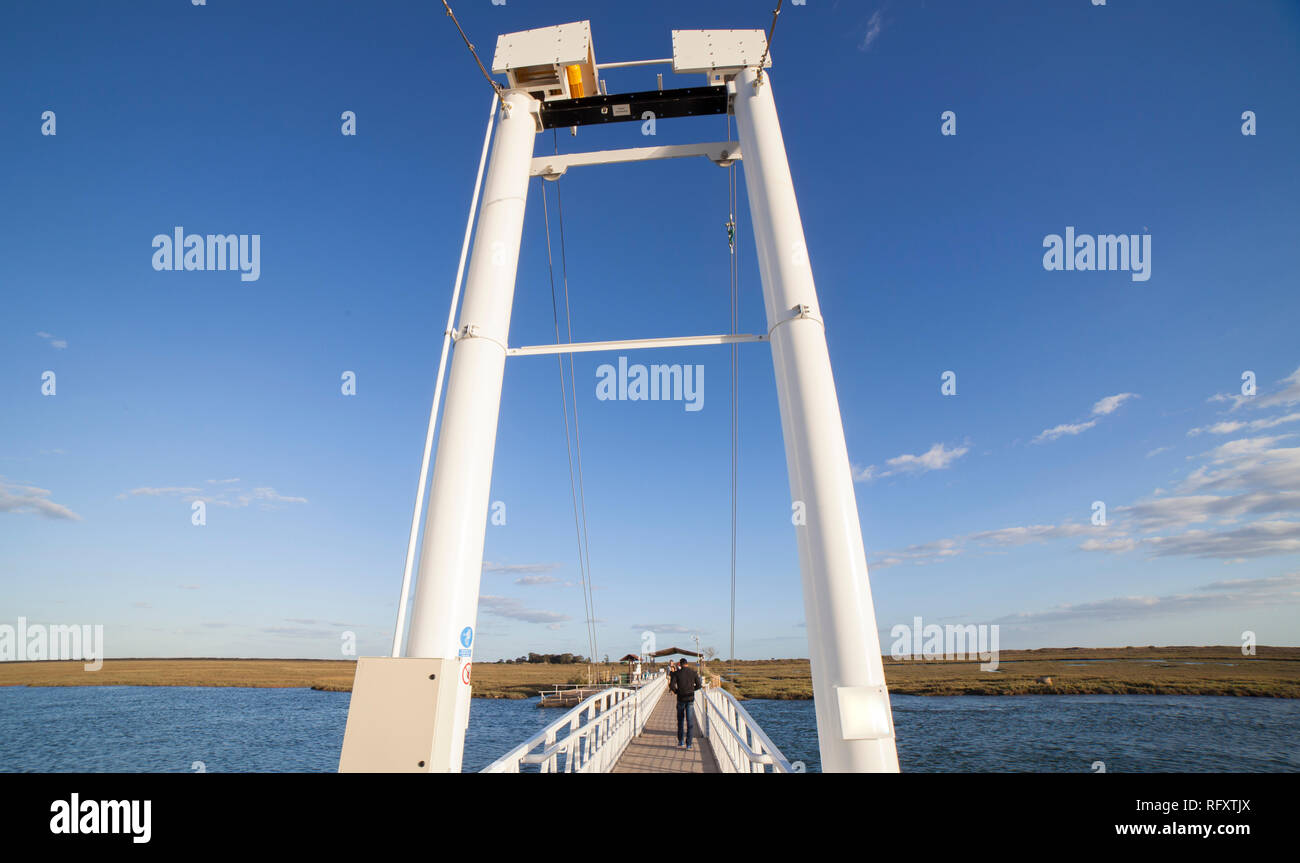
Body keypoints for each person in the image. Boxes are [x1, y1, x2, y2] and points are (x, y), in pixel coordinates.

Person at [668, 657, 702, 749]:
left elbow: (671, 685)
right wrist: (692, 689)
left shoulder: (676, 673)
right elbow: (699, 685)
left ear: (680, 664)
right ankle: (689, 744)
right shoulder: (693, 673)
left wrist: (677, 691)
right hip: (690, 699)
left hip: (680, 699)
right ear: (687, 664)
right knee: (690, 721)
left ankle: (681, 741)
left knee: (680, 721)